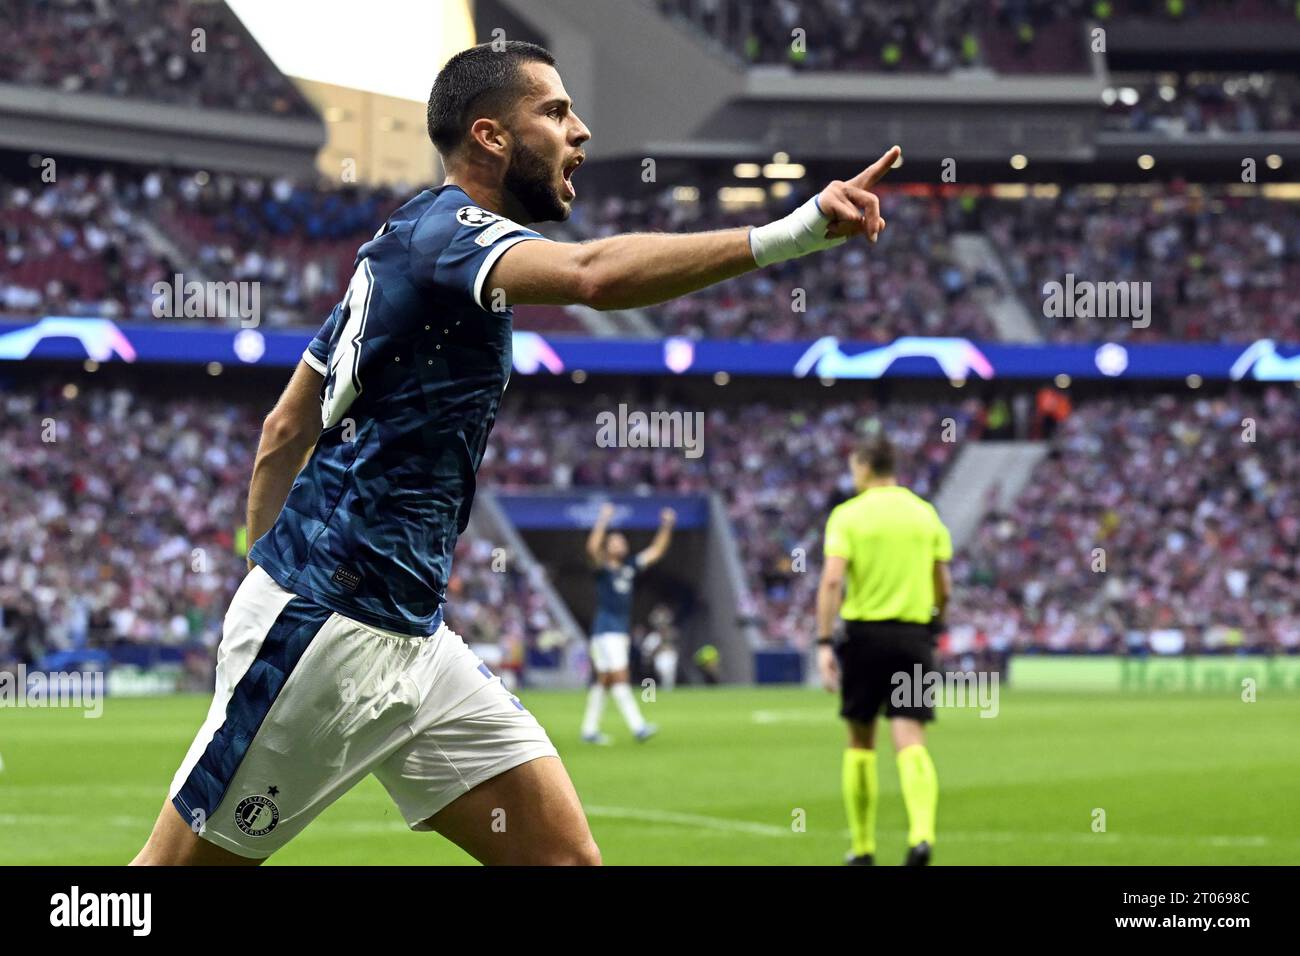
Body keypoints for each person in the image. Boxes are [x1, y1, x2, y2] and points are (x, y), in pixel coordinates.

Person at [132, 38, 901, 866]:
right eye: (557, 111)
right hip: (330, 622)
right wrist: (794, 230)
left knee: (566, 860)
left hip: (412, 640)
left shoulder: (410, 249)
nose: (582, 131)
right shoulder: (446, 231)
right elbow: (597, 275)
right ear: (492, 136)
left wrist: (258, 571)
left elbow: (284, 431)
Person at [815, 438, 952, 866]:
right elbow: (943, 584)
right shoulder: (923, 513)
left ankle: (862, 847)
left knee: (860, 740)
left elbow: (833, 580)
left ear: (863, 467)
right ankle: (922, 835)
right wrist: (936, 622)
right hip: (913, 636)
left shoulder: (849, 515)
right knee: (910, 738)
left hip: (864, 637)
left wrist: (823, 641)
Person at [581, 504, 673, 743]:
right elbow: (591, 547)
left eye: (622, 541)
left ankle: (589, 730)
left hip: (615, 630)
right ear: (607, 547)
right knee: (621, 676)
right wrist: (603, 519)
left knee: (604, 681)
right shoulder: (602, 569)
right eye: (615, 541)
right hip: (607, 630)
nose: (620, 544)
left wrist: (667, 525)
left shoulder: (629, 567)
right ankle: (638, 726)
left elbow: (656, 551)